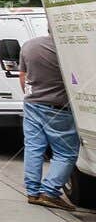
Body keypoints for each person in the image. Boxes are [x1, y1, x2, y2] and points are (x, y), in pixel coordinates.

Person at [20, 33, 80, 210]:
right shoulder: (68, 49)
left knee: (33, 147)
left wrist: (32, 96)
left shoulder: (29, 45)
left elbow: (22, 76)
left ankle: (32, 192)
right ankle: (50, 192)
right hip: (59, 107)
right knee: (66, 153)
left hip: (32, 104)